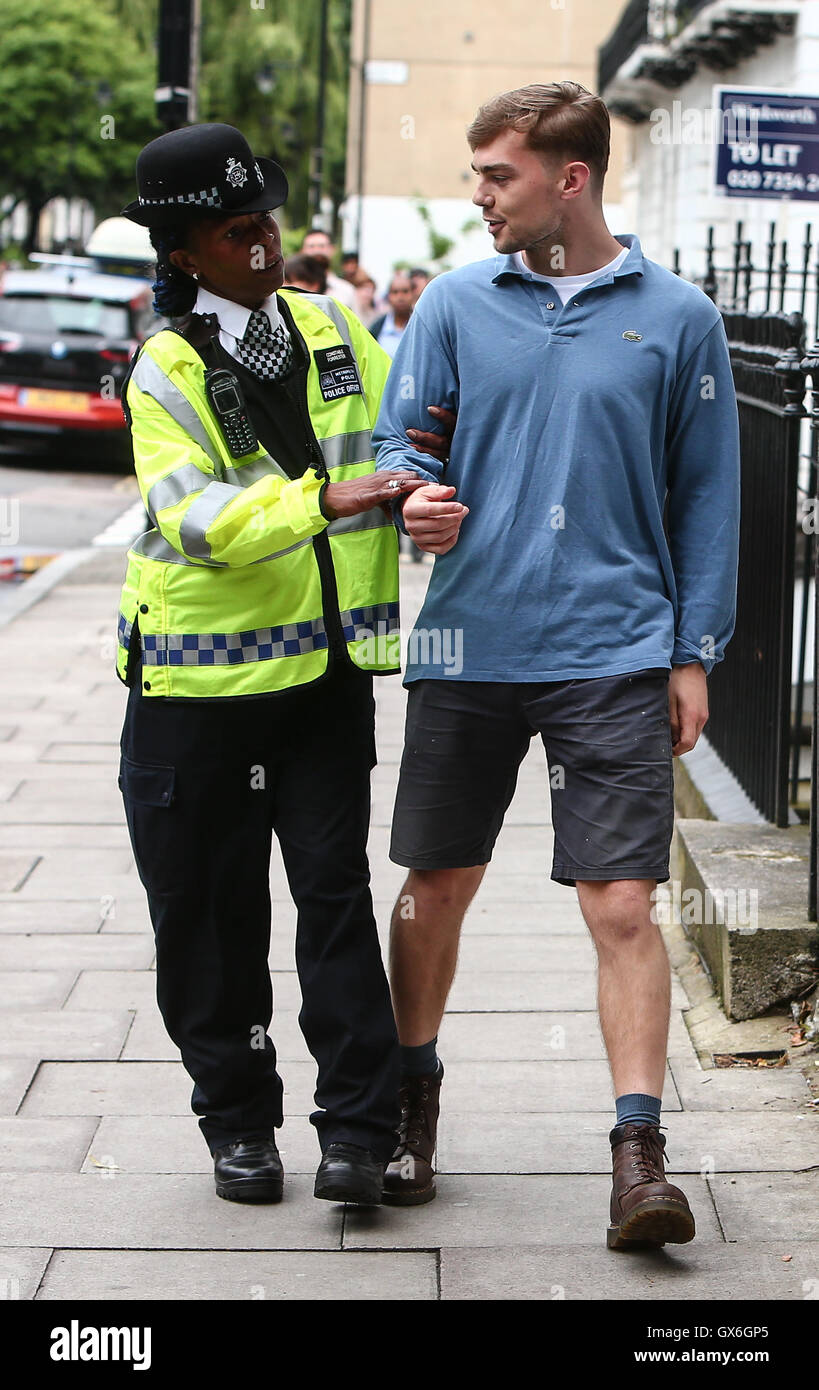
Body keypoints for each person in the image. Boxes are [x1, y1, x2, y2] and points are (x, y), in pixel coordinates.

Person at [372, 82, 740, 1248]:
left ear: (569, 179)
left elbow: (707, 494)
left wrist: (695, 652)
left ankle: (640, 1155)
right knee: (436, 886)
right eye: (479, 173)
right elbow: (400, 445)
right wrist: (411, 499)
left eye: (499, 176)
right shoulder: (452, 304)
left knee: (622, 902)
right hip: (464, 639)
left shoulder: (679, 316)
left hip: (616, 647)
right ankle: (409, 1096)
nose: (478, 195)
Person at [115, 122, 448, 1208]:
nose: (264, 245)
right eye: (235, 231)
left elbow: (403, 434)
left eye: (265, 222)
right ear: (185, 256)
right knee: (208, 918)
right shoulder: (161, 368)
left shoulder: (333, 324)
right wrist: (325, 498)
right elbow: (197, 520)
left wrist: (422, 478)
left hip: (322, 682)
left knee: (335, 898)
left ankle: (358, 1126)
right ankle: (238, 1121)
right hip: (196, 693)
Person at [300, 228, 357, 310]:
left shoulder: (346, 291)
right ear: (302, 251)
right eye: (311, 246)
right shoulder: (290, 288)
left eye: (322, 246)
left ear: (332, 250)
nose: (317, 251)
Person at [368, 271, 414, 359]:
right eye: (395, 292)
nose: (400, 297)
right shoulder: (377, 329)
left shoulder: (421, 327)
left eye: (405, 291)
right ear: (389, 296)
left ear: (412, 294)